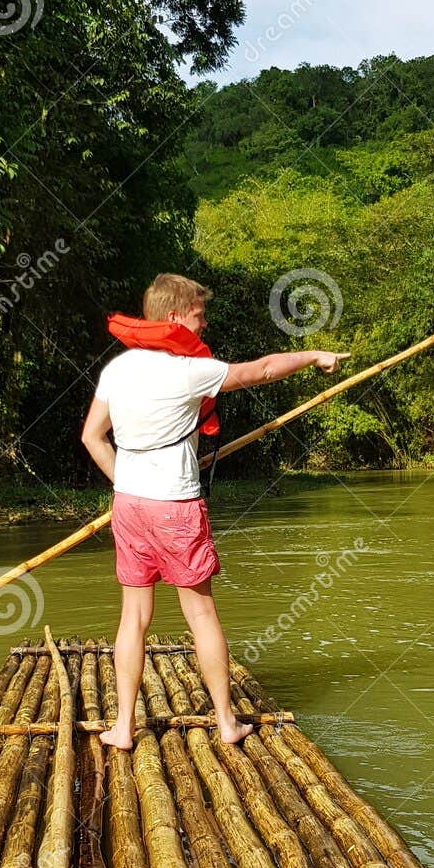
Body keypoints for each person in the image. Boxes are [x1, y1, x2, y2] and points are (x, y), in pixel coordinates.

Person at [80, 272, 347, 750]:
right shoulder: (189, 372)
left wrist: (126, 483)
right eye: (199, 317)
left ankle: (122, 728)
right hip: (175, 507)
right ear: (176, 316)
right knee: (201, 613)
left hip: (129, 506)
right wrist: (314, 356)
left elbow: (92, 438)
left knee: (133, 617)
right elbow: (262, 370)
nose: (203, 327)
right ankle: (226, 722)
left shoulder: (117, 370)